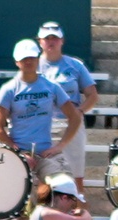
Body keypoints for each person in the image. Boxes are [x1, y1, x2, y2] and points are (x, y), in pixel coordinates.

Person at [0, 39, 74, 220]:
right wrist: (18, 151)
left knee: (64, 189)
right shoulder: (9, 89)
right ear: (16, 62)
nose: (28, 61)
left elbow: (74, 117)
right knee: (25, 206)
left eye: (32, 57)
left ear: (37, 58)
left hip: (45, 152)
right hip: (20, 153)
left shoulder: (51, 86)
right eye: (24, 58)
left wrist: (60, 145)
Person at [33, 21, 93, 180]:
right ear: (40, 41)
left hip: (70, 123)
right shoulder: (32, 66)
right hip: (43, 125)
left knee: (76, 173)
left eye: (55, 38)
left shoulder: (75, 65)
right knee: (44, 173)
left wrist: (79, 112)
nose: (51, 42)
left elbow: (92, 95)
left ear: (62, 41)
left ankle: (79, 203)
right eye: (47, 38)